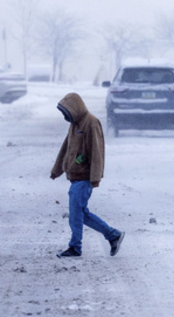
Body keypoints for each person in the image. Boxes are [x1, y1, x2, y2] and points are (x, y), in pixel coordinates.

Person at [50, 92, 123, 258]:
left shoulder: (91, 123)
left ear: (75, 108)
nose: (65, 117)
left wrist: (95, 177)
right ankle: (113, 235)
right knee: (81, 214)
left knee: (76, 215)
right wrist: (57, 170)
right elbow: (65, 149)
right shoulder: (74, 125)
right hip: (75, 178)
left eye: (66, 112)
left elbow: (97, 152)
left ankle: (75, 247)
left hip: (84, 178)